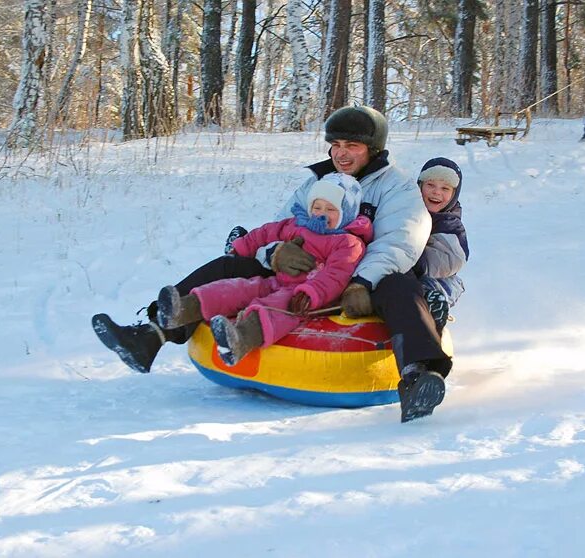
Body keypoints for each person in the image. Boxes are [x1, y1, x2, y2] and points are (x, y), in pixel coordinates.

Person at [93, 105, 449, 423]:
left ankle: (418, 375)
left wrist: (361, 281)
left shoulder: (396, 188)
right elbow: (279, 226)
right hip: (305, 271)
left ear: (372, 150)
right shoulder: (317, 182)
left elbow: (400, 243)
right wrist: (274, 254)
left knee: (401, 285)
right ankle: (152, 334)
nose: (341, 154)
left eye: (351, 146)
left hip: (361, 275)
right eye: (336, 145)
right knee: (229, 266)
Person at [155, 173, 373, 366]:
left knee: (275, 308)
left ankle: (240, 339)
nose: (321, 214)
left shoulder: (347, 242)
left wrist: (311, 293)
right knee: (235, 289)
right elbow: (264, 234)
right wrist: (240, 248)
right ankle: (181, 310)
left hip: (304, 296)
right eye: (317, 207)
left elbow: (336, 275)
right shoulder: (297, 225)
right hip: (276, 281)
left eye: (331, 209)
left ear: (346, 213)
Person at [413, 158, 469, 334]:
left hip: (437, 277)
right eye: (430, 185)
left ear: (454, 194)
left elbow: (453, 259)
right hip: (405, 271)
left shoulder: (450, 224)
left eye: (445, 188)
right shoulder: (405, 211)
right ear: (420, 186)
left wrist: (416, 260)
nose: (436, 192)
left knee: (434, 286)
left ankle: (435, 309)